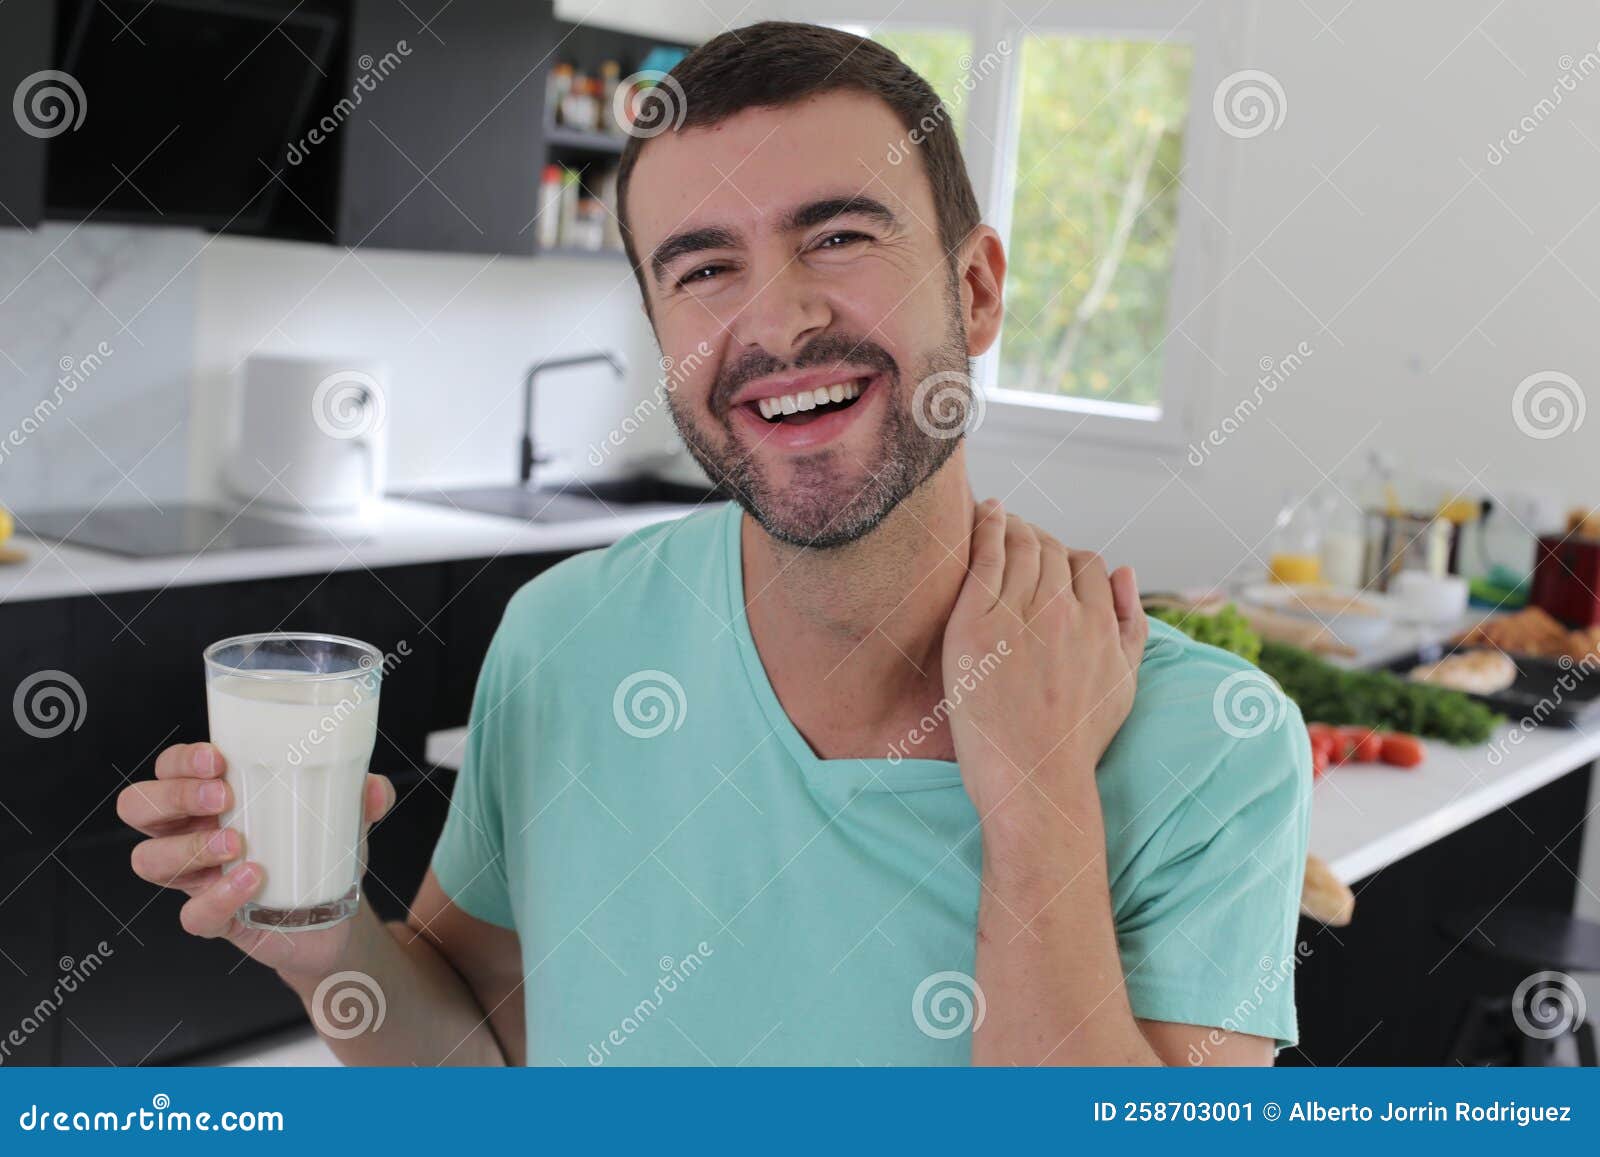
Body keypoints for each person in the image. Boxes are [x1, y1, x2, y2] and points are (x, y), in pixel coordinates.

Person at [119, 21, 1310, 1066]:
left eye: (839, 237)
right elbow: (475, 1065)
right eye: (703, 268)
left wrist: (1040, 788)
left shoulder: (1213, 744)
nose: (778, 320)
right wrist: (327, 941)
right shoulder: (565, 637)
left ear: (979, 288)